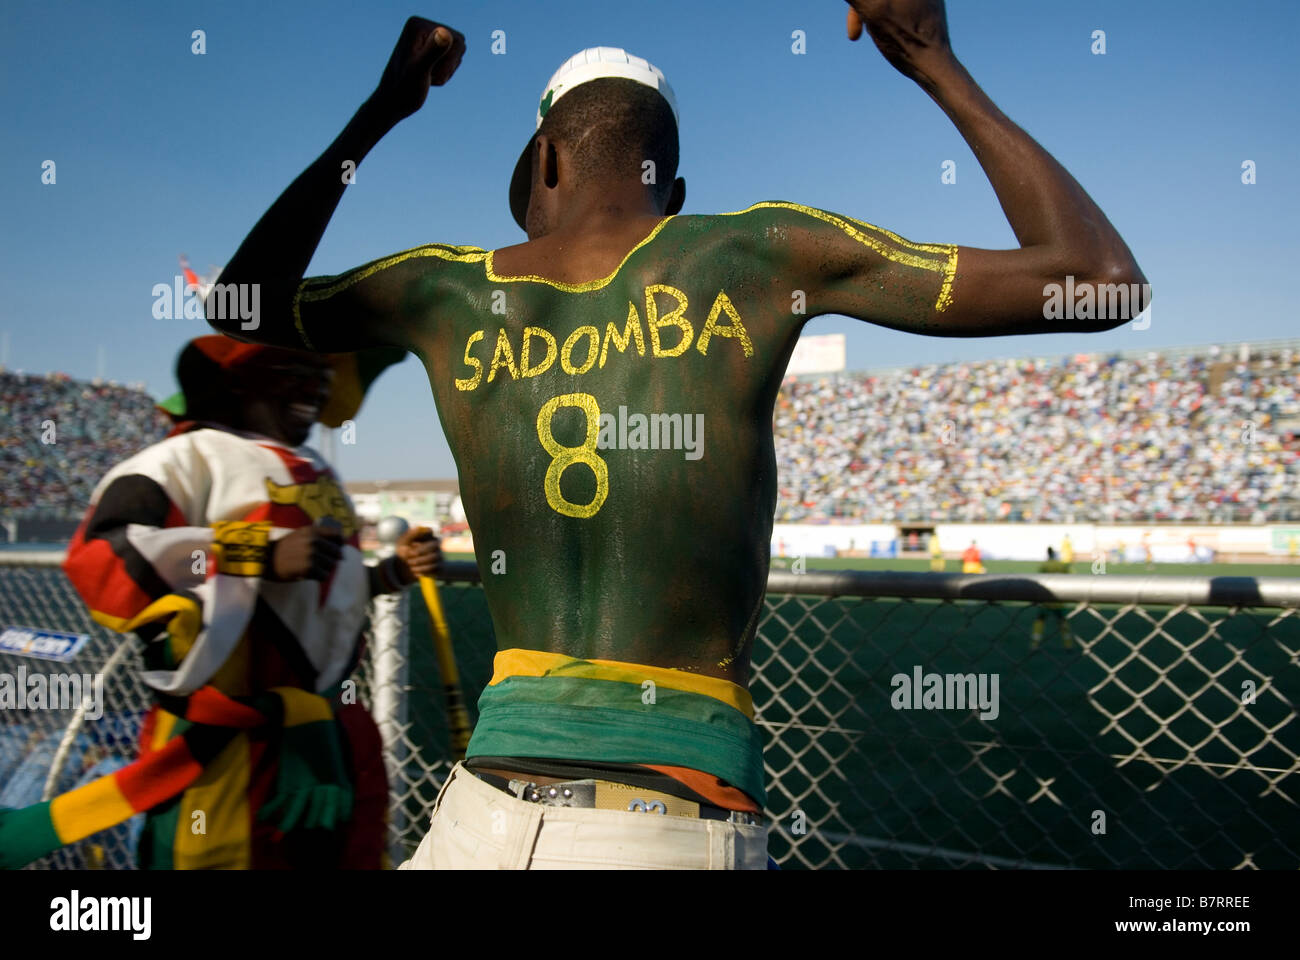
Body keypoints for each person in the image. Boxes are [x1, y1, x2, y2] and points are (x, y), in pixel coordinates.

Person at [206, 1, 1148, 869]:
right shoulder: (760, 251)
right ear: (675, 187)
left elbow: (234, 301)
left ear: (547, 161)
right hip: (667, 821)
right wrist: (936, 64)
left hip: (475, 819)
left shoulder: (442, 288)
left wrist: (380, 111)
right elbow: (1100, 279)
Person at [0, 336, 441, 869]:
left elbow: (317, 600)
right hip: (228, 744)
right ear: (237, 382)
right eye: (291, 368)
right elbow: (101, 556)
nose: (317, 383)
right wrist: (254, 552)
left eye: (320, 369)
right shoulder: (183, 458)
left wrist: (391, 573)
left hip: (330, 738)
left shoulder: (316, 470)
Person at [1032, 546, 1073, 650]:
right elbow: (1070, 575)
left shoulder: (1044, 565)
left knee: (1040, 619)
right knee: (1062, 621)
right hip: (1058, 597)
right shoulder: (1061, 565)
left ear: (1047, 553)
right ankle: (1068, 644)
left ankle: (1035, 644)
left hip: (1046, 598)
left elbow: (1040, 579)